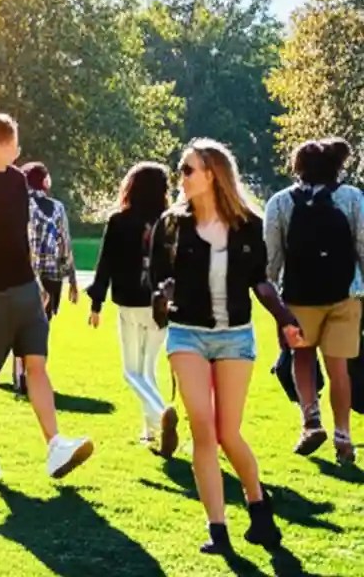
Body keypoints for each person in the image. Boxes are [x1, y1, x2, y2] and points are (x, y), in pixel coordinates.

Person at [150, 138, 303, 555]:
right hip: (187, 334)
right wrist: (161, 295)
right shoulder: (170, 225)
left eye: (187, 170)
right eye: (180, 169)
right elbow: (156, 283)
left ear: (212, 174)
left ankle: (258, 508)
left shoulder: (247, 225)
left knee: (227, 432)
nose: (180, 177)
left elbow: (260, 281)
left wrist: (286, 320)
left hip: (236, 335)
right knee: (202, 425)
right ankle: (217, 530)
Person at [0, 113, 93, 480]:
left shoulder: (17, 182)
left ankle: (56, 445)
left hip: (24, 288)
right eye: (14, 141)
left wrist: (37, 282)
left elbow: (20, 235)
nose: (18, 147)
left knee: (36, 364)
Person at [265, 138, 363, 465]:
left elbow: (272, 257)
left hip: (298, 296)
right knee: (340, 370)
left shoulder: (280, 202)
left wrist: (274, 298)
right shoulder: (352, 197)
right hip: (344, 295)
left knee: (302, 357)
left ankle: (310, 421)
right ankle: (343, 435)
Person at [87, 162, 179, 454]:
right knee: (148, 368)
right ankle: (150, 431)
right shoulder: (171, 222)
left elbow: (105, 264)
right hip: (161, 305)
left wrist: (96, 302)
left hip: (129, 303)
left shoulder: (119, 221)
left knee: (131, 372)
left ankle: (160, 411)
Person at [15, 162, 79, 397]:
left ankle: (21, 375)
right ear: (45, 180)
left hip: (25, 273)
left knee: (21, 325)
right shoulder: (57, 208)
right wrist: (71, 278)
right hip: (51, 276)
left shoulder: (20, 205)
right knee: (42, 326)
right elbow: (65, 245)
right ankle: (34, 374)